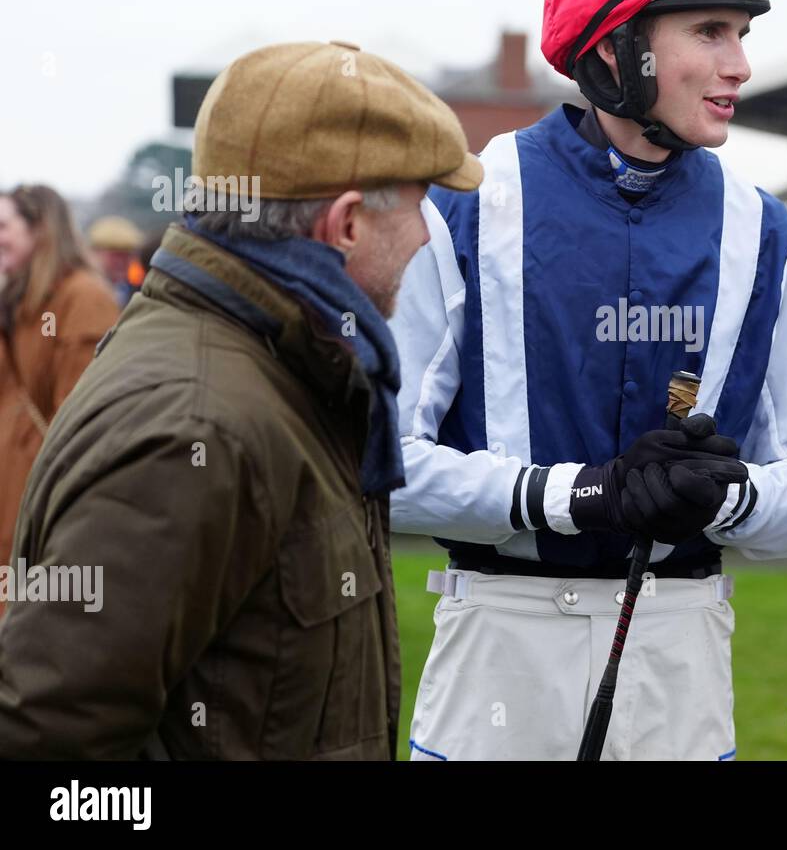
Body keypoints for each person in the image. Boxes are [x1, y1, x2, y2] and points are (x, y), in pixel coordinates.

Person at [390, 0, 787, 760]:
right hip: (501, 656)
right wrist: (576, 495)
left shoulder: (768, 231)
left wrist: (726, 495)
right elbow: (383, 465)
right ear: (614, 45)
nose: (740, 64)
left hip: (683, 662)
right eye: (710, 31)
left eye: (744, 33)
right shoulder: (467, 205)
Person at [0, 41, 482, 758]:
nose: (423, 235)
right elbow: (49, 739)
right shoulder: (198, 428)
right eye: (419, 205)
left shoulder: (279, 370)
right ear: (346, 223)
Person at [0, 184, 119, 608]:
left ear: (41, 231)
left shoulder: (83, 298)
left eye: (4, 226)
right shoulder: (18, 296)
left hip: (41, 500)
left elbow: (84, 425)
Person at [86, 214, 145, 307]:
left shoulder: (139, 292)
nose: (122, 261)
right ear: (94, 252)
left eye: (127, 255)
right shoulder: (83, 290)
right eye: (116, 255)